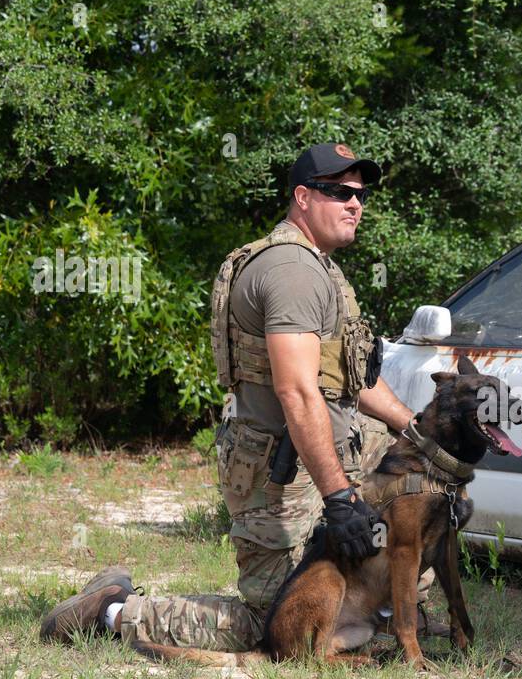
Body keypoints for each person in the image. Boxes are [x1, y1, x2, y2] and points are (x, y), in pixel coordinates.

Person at [40, 142, 429, 651]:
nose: (356, 203)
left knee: (420, 488)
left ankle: (392, 614)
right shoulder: (292, 271)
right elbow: (296, 391)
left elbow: (348, 375)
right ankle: (112, 610)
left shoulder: (320, 266)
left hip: (327, 457)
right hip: (280, 474)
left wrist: (416, 431)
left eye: (361, 193)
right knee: (276, 626)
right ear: (303, 198)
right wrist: (339, 500)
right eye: (340, 192)